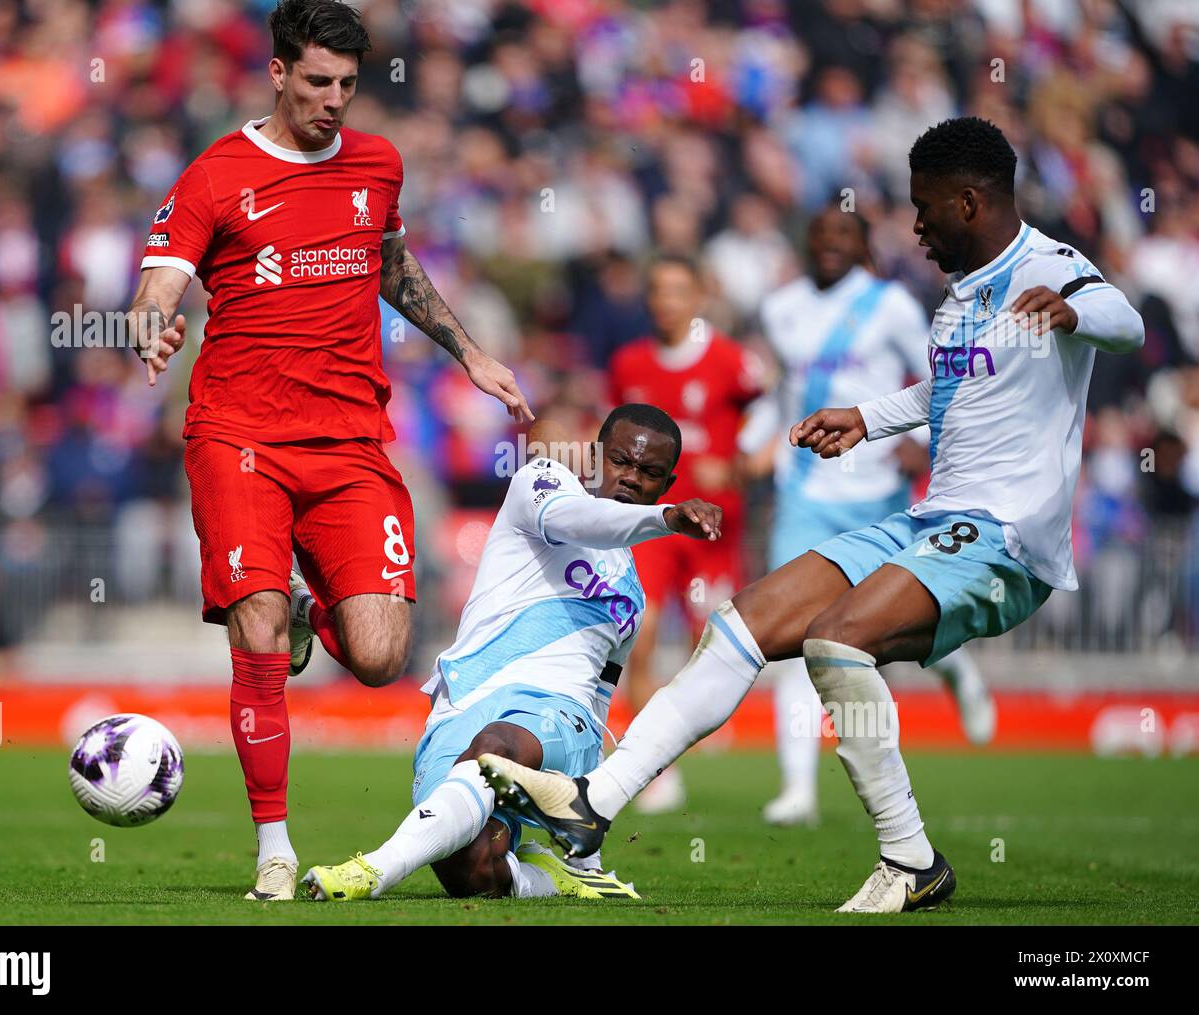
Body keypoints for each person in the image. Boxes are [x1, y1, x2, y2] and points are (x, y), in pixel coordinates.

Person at [477, 117, 1145, 913]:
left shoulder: (1050, 266)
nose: (916, 225)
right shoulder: (961, 294)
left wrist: (1073, 313)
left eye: (925, 207)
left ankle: (910, 858)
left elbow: (1126, 321)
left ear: (969, 201)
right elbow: (954, 390)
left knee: (837, 639)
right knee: (743, 622)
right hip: (932, 519)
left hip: (1004, 537)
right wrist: (867, 417)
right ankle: (594, 803)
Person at [124, 0, 531, 902]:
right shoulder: (215, 174)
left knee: (382, 656)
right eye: (317, 81)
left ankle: (312, 612)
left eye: (347, 83)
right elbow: (157, 285)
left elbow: (390, 264)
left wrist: (469, 353)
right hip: (239, 437)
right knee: (258, 627)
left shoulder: (378, 163)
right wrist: (152, 327)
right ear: (277, 73)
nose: (334, 100)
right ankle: (274, 846)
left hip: (350, 441)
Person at [301, 405, 723, 900]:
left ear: (667, 483)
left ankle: (372, 871)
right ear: (593, 456)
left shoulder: (632, 593)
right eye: (619, 461)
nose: (631, 478)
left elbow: (601, 697)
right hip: (463, 706)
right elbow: (581, 520)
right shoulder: (539, 483)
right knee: (470, 869)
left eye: (649, 472)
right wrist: (665, 518)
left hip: (560, 719)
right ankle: (546, 879)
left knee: (494, 749)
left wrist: (586, 835)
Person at [746, 202, 993, 828]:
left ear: (863, 246)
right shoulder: (780, 308)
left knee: (890, 625)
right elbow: (782, 392)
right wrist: (754, 440)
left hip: (880, 494)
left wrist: (924, 443)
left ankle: (957, 670)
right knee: (795, 634)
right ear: (806, 241)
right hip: (803, 493)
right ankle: (797, 789)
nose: (830, 242)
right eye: (820, 233)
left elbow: (944, 380)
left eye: (843, 233)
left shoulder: (891, 306)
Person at [606, 254, 763, 813]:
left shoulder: (732, 360)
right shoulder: (629, 363)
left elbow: (775, 408)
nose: (665, 301)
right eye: (657, 290)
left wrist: (744, 461)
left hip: (712, 528)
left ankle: (677, 741)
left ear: (698, 296)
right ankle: (654, 770)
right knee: (638, 638)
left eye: (677, 290)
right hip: (653, 525)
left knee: (715, 649)